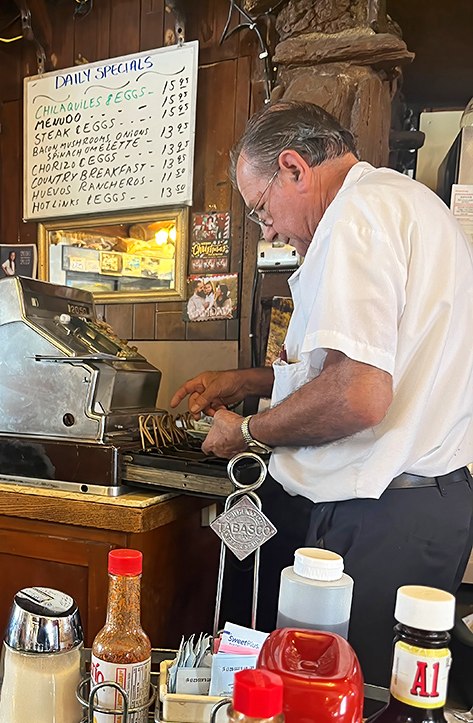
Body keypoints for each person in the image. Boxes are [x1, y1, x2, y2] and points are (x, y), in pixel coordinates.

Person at [171, 101, 473, 686]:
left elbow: (359, 394)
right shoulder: (402, 202)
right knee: (373, 702)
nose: (271, 231)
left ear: (293, 168)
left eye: (261, 210)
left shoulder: (354, 216)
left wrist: (247, 431)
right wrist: (248, 381)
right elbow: (368, 368)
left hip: (384, 513)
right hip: (422, 505)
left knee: (334, 711)